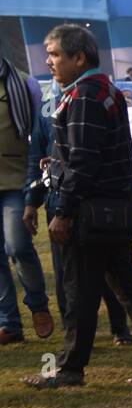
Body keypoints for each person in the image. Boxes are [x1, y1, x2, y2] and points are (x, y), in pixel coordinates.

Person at [23, 24, 132, 389]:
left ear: (78, 57)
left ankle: (69, 369)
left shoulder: (83, 95)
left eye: (55, 54)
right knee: (129, 287)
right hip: (114, 210)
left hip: (90, 213)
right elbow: (100, 157)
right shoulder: (105, 90)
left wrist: (63, 211)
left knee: (79, 291)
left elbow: (84, 164)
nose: (49, 61)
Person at [24, 78, 132, 351]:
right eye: (49, 56)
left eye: (56, 55)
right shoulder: (47, 108)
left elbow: (119, 155)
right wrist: (31, 201)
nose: (51, 63)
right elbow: (36, 155)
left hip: (95, 204)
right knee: (67, 276)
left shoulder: (92, 98)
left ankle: (120, 327)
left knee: (110, 272)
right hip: (58, 201)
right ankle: (73, 335)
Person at [0, 39, 54, 345]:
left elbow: (40, 132)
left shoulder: (24, 84)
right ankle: (9, 323)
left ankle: (37, 305)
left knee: (17, 246)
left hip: (16, 181)